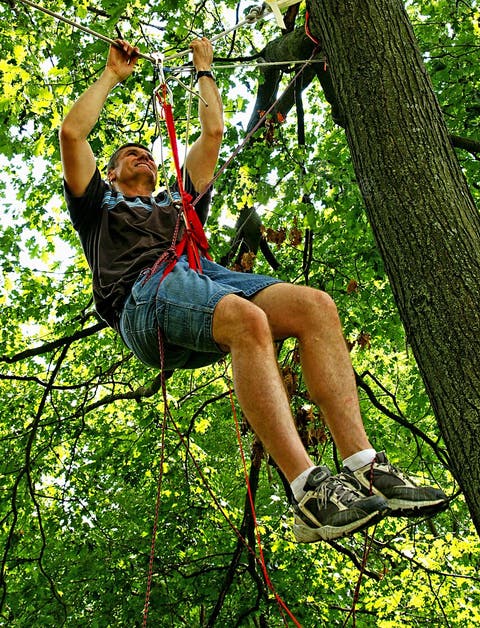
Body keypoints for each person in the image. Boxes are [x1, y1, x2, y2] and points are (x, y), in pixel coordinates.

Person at [59, 37, 448, 543]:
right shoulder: (97, 206)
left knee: (314, 306)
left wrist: (204, 69)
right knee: (247, 319)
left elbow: (214, 133)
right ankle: (308, 490)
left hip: (200, 279)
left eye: (148, 155)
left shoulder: (179, 204)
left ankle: (364, 465)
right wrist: (113, 74)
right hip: (143, 296)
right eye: (130, 156)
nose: (143, 157)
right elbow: (72, 133)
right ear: (110, 172)